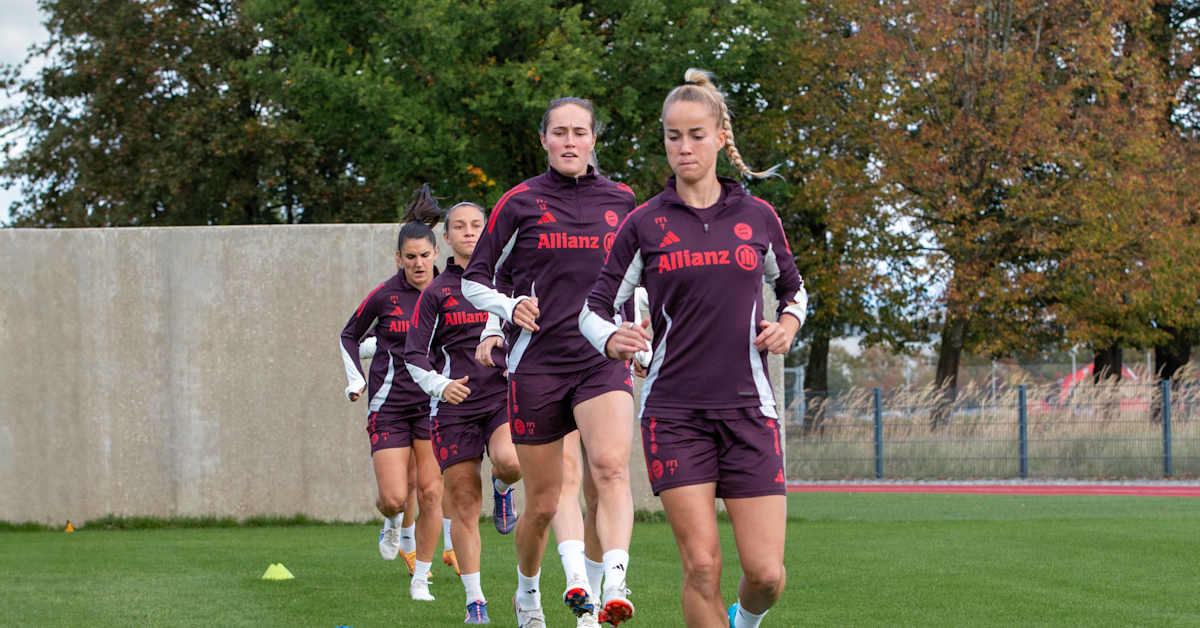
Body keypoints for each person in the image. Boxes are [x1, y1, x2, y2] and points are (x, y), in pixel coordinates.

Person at [578, 69, 806, 628]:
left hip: (751, 412)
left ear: (721, 137)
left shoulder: (758, 217)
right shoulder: (645, 224)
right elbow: (593, 306)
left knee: (767, 574)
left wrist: (789, 324)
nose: (684, 147)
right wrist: (611, 338)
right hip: (674, 415)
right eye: (673, 136)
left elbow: (794, 289)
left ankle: (743, 621)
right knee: (701, 566)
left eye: (697, 135)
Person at [463, 97, 638, 627]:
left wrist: (642, 336)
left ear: (592, 141)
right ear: (544, 140)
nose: (569, 141)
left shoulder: (623, 200)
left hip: (601, 360)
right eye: (559, 132)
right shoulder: (519, 202)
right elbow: (476, 278)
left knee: (608, 469)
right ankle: (528, 590)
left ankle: (609, 584)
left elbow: (640, 277)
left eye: (579, 132)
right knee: (543, 499)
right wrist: (507, 307)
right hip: (537, 363)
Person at [403, 201, 523, 623]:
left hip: (503, 397)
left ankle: (504, 489)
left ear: (487, 232)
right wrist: (441, 385)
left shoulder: (506, 281)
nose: (469, 232)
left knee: (510, 461)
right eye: (460, 227)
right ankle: (476, 601)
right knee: (464, 502)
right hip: (453, 409)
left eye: (477, 225)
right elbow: (413, 355)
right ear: (447, 238)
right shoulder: (436, 294)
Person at [339, 185, 447, 602]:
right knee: (394, 496)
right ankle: (392, 521)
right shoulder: (385, 296)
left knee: (431, 490)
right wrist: (356, 380)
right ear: (398, 259)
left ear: (436, 254)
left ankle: (421, 577)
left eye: (425, 255)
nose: (418, 263)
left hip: (434, 407)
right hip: (389, 406)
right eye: (410, 257)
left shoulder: (452, 292)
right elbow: (349, 335)